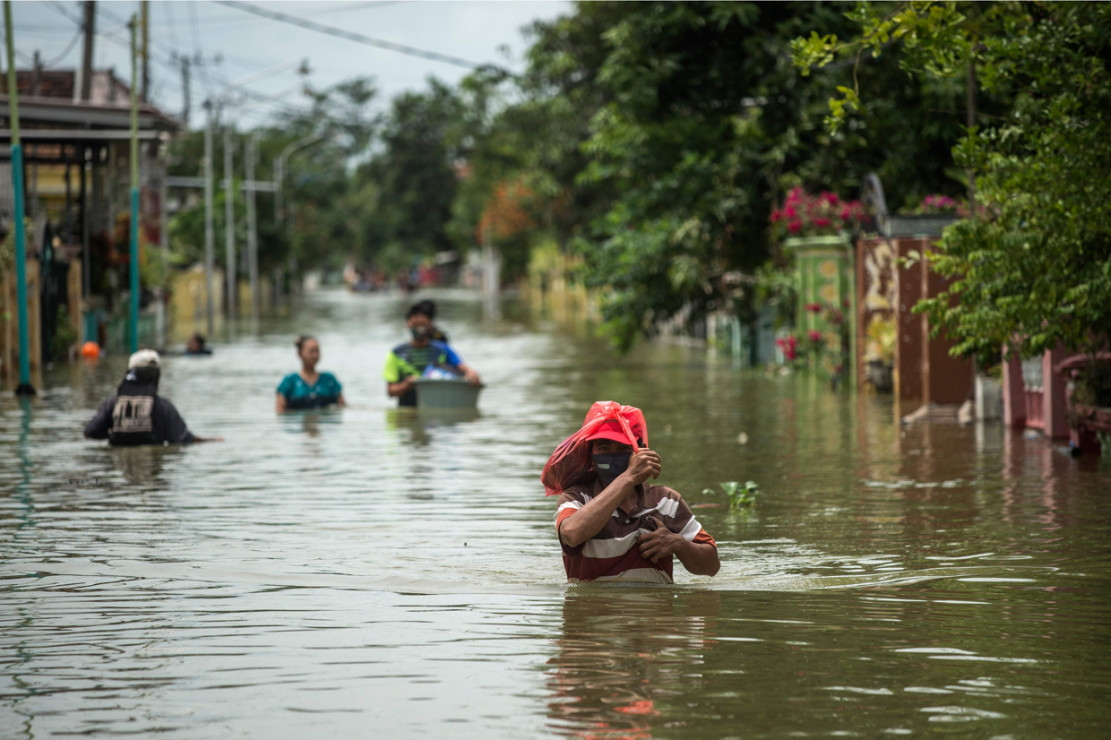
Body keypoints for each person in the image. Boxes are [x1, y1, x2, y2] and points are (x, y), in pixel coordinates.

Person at [543, 401, 720, 584]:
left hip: (652, 611)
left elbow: (711, 567)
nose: (613, 455)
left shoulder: (666, 501)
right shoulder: (577, 498)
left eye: (623, 448)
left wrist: (677, 543)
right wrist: (629, 477)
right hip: (593, 609)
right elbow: (572, 534)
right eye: (604, 448)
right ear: (591, 455)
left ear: (640, 451)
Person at [84, 349, 221, 445]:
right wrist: (212, 440)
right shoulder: (163, 407)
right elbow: (184, 439)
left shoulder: (112, 403)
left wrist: (116, 433)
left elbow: (89, 433)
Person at [384, 302, 480, 407]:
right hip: (408, 411)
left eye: (423, 324)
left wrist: (472, 375)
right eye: (416, 324)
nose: (420, 329)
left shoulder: (443, 350)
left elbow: (465, 370)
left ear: (431, 324)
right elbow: (391, 391)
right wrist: (407, 384)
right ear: (408, 324)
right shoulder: (397, 354)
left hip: (439, 408)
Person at [276, 335, 346, 412]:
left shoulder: (329, 380)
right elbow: (280, 411)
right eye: (311, 351)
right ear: (300, 353)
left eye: (317, 351)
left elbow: (342, 407)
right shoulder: (289, 381)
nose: (315, 355)